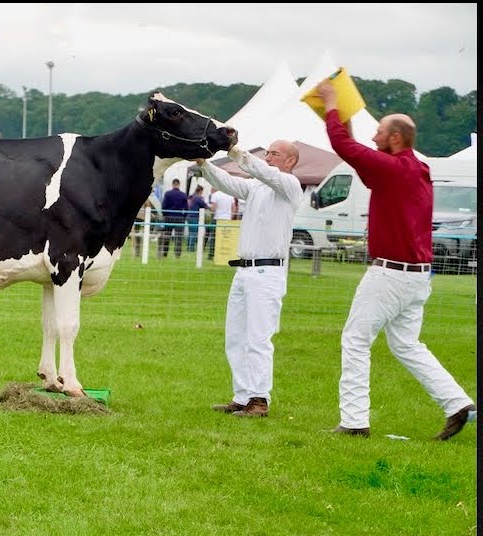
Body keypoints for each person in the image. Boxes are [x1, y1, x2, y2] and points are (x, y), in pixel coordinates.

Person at [315, 80, 476, 440]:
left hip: (389, 274)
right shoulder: (412, 170)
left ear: (396, 139)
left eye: (379, 132)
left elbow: (344, 146)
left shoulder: (395, 170)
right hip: (417, 277)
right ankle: (457, 403)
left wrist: (330, 105)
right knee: (406, 345)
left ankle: (354, 422)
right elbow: (362, 161)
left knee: (355, 340)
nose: (374, 137)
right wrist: (348, 124)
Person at [195, 139, 303, 419]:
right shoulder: (257, 188)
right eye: (266, 152)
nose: (268, 157)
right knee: (236, 337)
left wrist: (235, 151)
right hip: (245, 270)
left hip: (267, 272)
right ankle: (242, 396)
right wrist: (204, 164)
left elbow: (265, 173)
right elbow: (230, 183)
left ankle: (259, 399)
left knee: (258, 337)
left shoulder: (289, 185)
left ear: (290, 161)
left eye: (275, 153)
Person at [160, 178, 189, 258]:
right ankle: (177, 254)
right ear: (179, 185)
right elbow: (186, 208)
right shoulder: (183, 195)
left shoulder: (167, 194)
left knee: (167, 236)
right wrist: (184, 217)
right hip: (179, 218)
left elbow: (164, 206)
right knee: (179, 237)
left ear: (172, 184)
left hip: (169, 217)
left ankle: (165, 253)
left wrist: (165, 215)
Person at [187, 184, 209, 253]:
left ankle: (189, 246)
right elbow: (204, 206)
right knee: (194, 233)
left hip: (189, 216)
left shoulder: (191, 196)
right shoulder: (198, 198)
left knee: (190, 232)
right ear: (201, 191)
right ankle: (191, 248)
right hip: (195, 216)